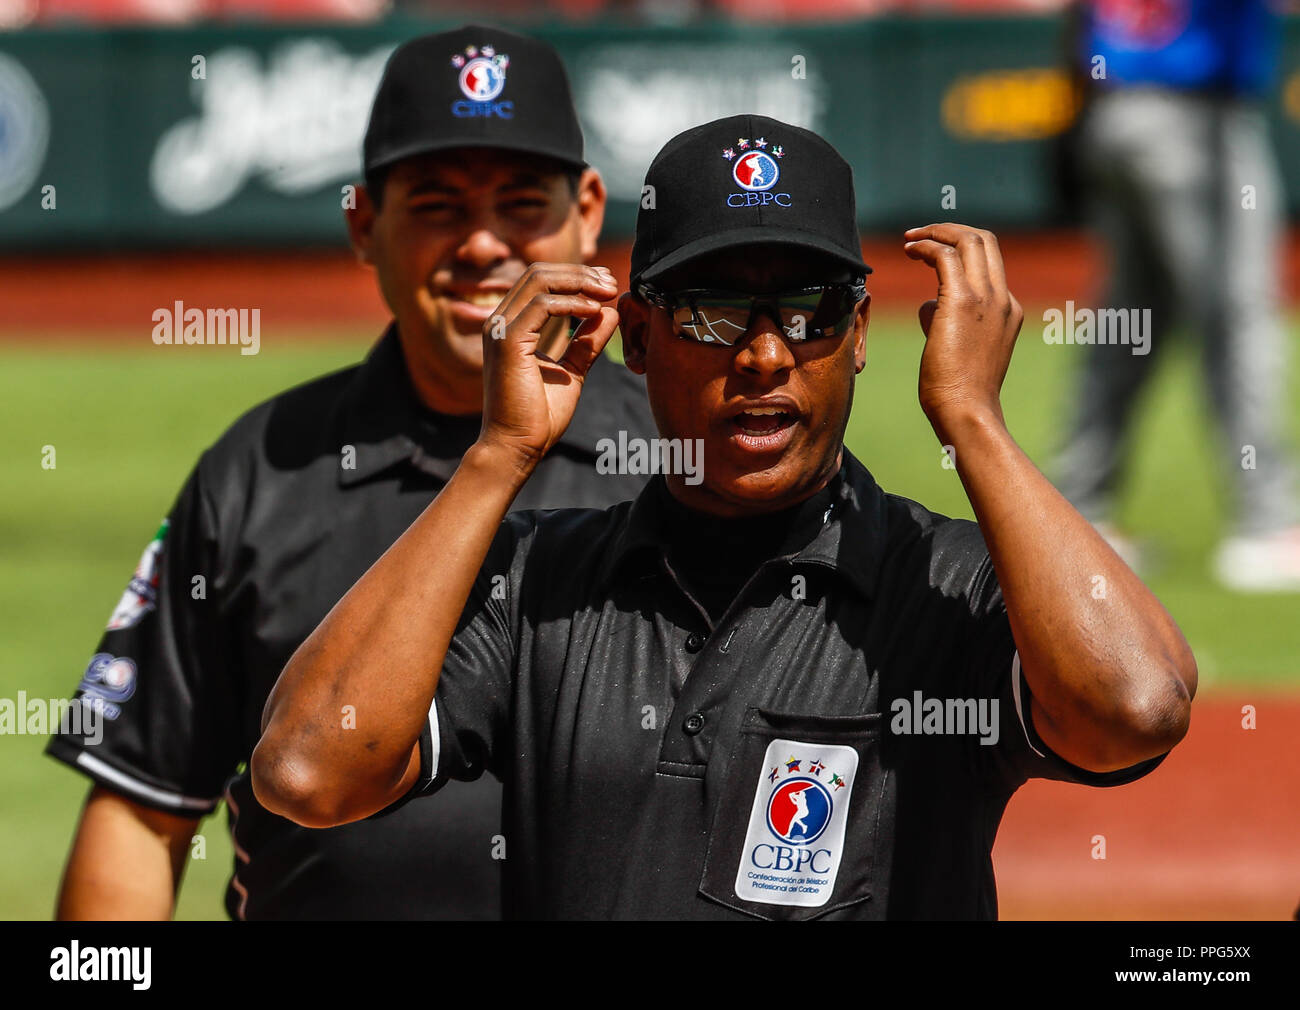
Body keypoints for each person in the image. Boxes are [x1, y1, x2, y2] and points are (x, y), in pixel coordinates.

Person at [253, 115, 1198, 919]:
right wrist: (494, 458)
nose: (762, 356)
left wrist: (974, 424)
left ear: (860, 337)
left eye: (807, 310)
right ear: (636, 336)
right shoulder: (536, 587)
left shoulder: (944, 583)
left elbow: (1135, 709)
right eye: (711, 313)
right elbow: (307, 771)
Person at [45, 25, 656, 920]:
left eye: (522, 203)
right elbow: (142, 810)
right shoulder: (260, 469)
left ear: (590, 211)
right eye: (439, 205)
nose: (483, 245)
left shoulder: (677, 466)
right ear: (364, 225)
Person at [1057, 0, 1300, 590]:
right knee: (1234, 320)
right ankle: (1268, 524)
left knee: (1129, 326)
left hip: (1116, 113)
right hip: (1196, 125)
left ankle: (1076, 514)